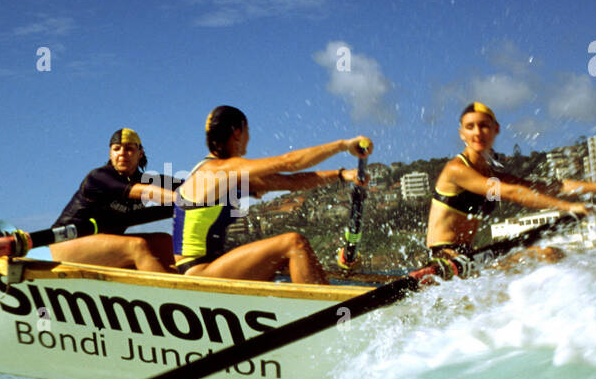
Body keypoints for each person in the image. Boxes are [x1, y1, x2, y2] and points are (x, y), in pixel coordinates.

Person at [425, 102, 596, 275]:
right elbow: (512, 193)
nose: (477, 132)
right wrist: (568, 208)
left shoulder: (495, 176)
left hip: (471, 256)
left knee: (553, 254)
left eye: (484, 126)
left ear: (496, 129)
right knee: (547, 255)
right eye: (470, 127)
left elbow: (550, 187)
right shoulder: (456, 170)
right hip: (444, 261)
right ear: (462, 133)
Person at [172, 105, 370, 284]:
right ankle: (332, 314)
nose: (249, 138)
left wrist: (342, 175)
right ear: (238, 132)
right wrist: (343, 145)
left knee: (287, 263)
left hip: (211, 267)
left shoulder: (224, 174)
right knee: (294, 243)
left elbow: (291, 182)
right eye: (248, 131)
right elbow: (289, 162)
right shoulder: (218, 170)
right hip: (198, 273)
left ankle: (321, 304)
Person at [49, 128, 179, 272]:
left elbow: (191, 185)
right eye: (117, 149)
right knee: (136, 246)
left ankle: (189, 286)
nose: (122, 153)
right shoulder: (99, 178)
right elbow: (146, 192)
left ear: (140, 153)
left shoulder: (147, 179)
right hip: (64, 244)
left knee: (164, 241)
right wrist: (183, 199)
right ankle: (169, 292)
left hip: (102, 243)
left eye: (129, 149)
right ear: (111, 154)